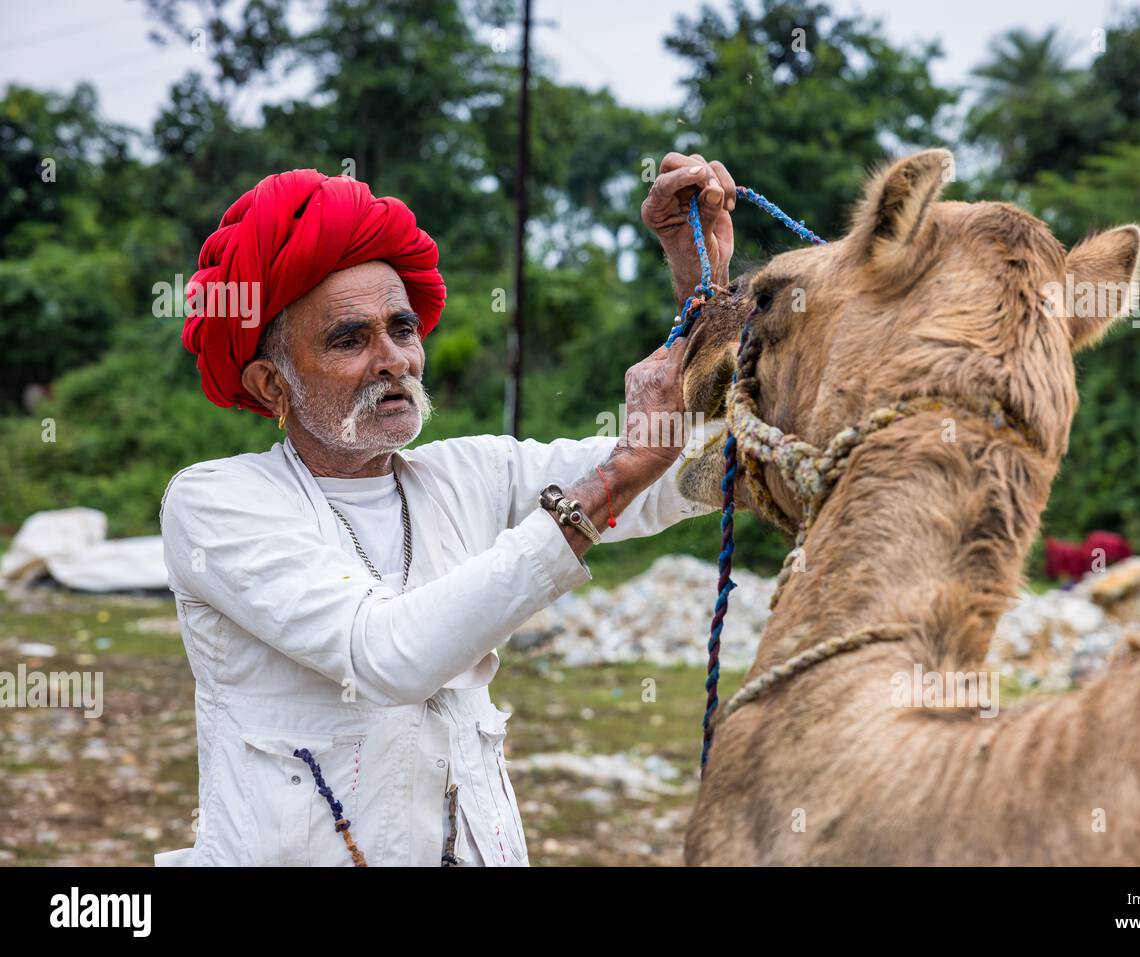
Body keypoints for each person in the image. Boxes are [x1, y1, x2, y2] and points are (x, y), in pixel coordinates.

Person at [154, 153, 736, 866]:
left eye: (402, 329)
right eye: (350, 338)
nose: (393, 357)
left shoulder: (470, 473)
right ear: (271, 384)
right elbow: (387, 656)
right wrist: (619, 474)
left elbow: (685, 471)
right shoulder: (217, 501)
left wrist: (700, 286)